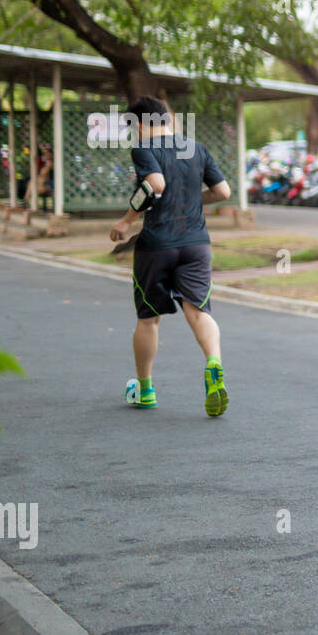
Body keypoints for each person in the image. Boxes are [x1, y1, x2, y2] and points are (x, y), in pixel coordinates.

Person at [108, 96, 231, 416]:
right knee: (199, 310)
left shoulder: (144, 150)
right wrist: (190, 199)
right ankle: (213, 363)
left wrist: (125, 222)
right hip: (196, 244)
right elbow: (223, 192)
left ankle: (145, 390)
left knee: (148, 319)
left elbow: (155, 184)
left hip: (158, 245)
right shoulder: (196, 147)